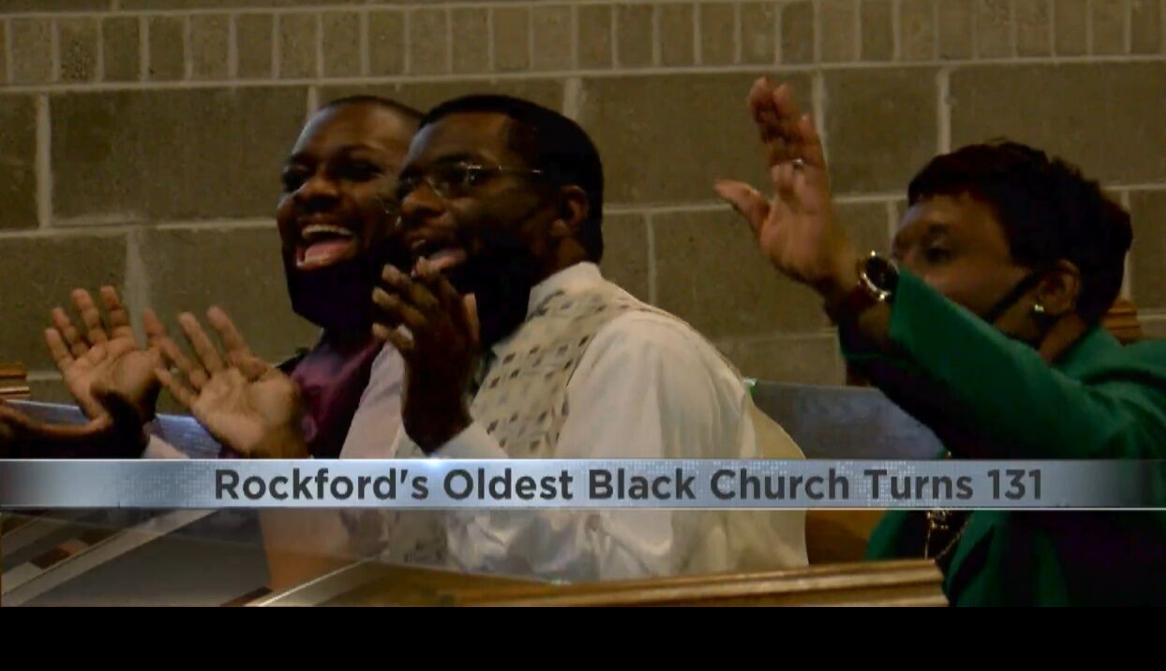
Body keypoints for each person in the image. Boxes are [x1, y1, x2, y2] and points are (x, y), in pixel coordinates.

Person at [159, 95, 809, 582]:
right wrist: (278, 450)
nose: (414, 206)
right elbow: (369, 575)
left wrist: (452, 436)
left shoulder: (636, 350)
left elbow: (625, 579)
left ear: (565, 212)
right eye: (410, 186)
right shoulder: (462, 360)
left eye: (462, 177)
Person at [714, 77, 1166, 606]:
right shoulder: (955, 455)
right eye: (900, 259)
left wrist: (852, 283)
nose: (905, 280)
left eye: (938, 254)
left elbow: (1086, 451)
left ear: (1053, 288)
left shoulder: (1162, 395)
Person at [41, 96, 422, 461]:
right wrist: (132, 430)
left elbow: (359, 525)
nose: (311, 191)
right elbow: (237, 511)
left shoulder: (427, 367)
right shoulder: (323, 362)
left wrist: (279, 456)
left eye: (358, 171)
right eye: (294, 180)